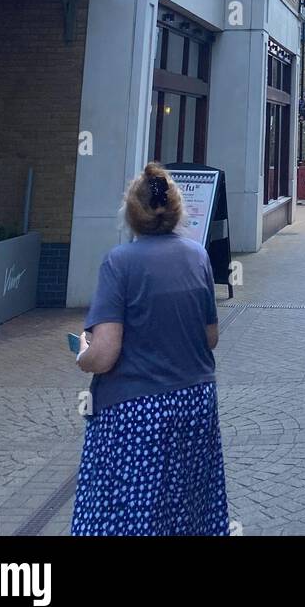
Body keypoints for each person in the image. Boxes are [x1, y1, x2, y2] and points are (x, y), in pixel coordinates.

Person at [71, 163, 229, 536]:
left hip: (135, 408)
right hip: (195, 401)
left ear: (131, 211)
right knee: (189, 507)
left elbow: (105, 353)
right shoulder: (198, 256)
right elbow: (211, 337)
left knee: (129, 514)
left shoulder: (119, 262)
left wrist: (83, 353)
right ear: (176, 208)